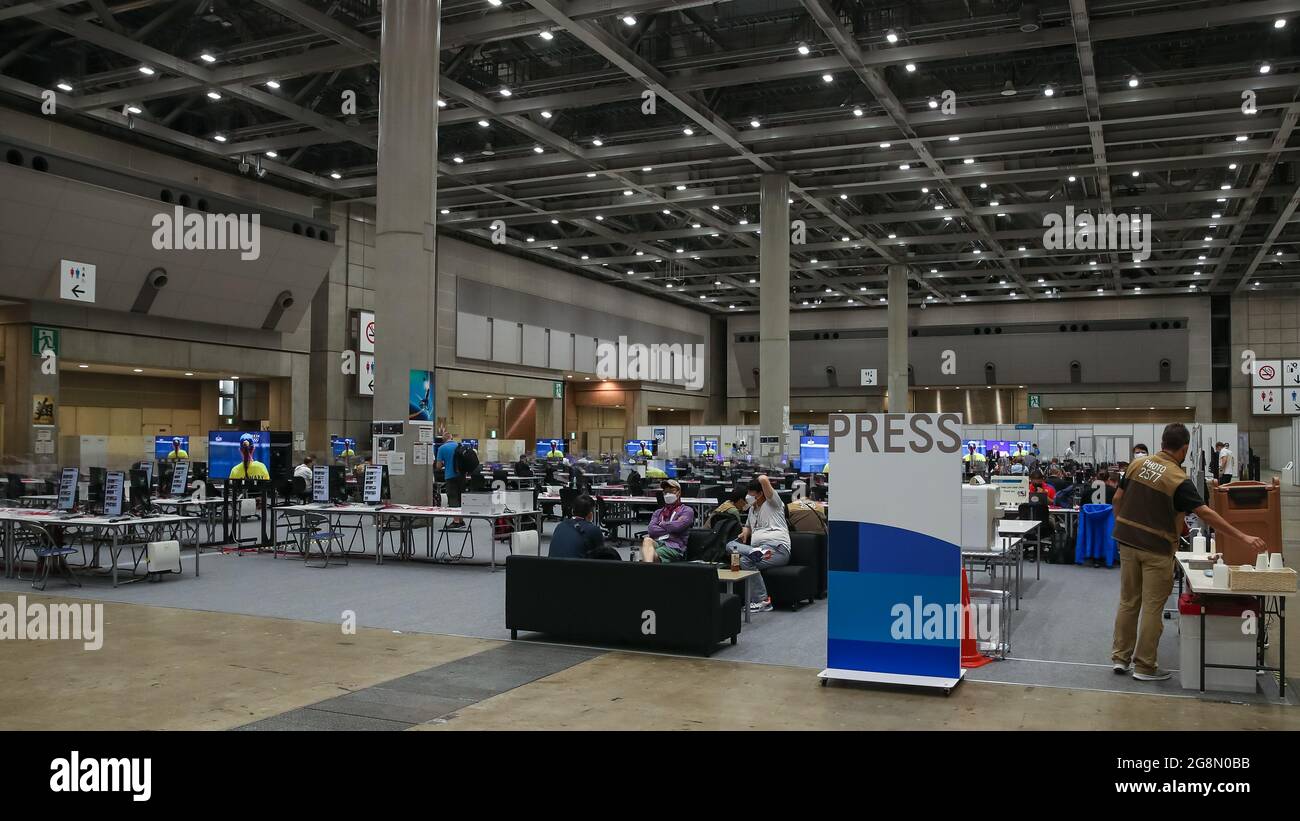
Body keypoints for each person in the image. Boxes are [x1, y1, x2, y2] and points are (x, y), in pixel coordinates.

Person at [1110, 423, 1266, 681]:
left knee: (1128, 602)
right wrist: (1242, 536)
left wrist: (1123, 525)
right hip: (1157, 550)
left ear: (1162, 443)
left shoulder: (1136, 465)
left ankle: (1120, 658)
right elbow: (1204, 513)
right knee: (1152, 607)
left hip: (1126, 543)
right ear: (1184, 449)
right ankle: (1145, 666)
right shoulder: (1177, 479)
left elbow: (1117, 499)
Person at [726, 474, 791, 613]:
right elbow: (748, 526)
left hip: (777, 550)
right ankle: (753, 552)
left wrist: (758, 478)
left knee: (746, 561)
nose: (748, 496)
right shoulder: (752, 509)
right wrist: (745, 532)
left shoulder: (773, 503)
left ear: (760, 493)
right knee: (730, 545)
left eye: (751, 493)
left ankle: (763, 600)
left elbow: (764, 479)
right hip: (758, 549)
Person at [640, 479, 695, 563]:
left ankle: (646, 569)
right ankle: (648, 568)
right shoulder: (658, 512)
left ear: (679, 493)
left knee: (650, 554)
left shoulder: (687, 511)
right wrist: (670, 528)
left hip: (675, 546)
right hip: (658, 542)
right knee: (647, 540)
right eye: (666, 492)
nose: (668, 495)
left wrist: (660, 524)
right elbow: (651, 530)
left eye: (671, 492)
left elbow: (677, 527)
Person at [548, 494, 611, 559]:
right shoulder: (594, 530)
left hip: (552, 567)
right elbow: (602, 555)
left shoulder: (560, 525)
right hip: (576, 568)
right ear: (590, 514)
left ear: (572, 511)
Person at [436, 437, 466, 527]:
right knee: (461, 498)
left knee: (453, 498)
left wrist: (445, 463)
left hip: (450, 476)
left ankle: (456, 522)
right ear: (451, 438)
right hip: (462, 476)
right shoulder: (459, 446)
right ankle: (461, 520)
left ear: (443, 440)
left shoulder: (442, 448)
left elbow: (438, 466)